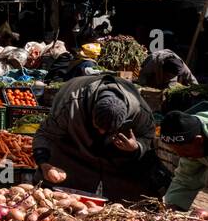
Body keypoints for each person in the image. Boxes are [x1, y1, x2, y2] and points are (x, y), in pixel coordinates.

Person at [33, 73, 166, 203]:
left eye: (108, 130)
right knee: (60, 199)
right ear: (91, 113)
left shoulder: (139, 111)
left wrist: (136, 147)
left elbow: (148, 136)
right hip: (72, 151)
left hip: (115, 160)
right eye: (98, 127)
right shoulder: (71, 103)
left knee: (122, 205)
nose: (102, 132)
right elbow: (46, 134)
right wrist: (45, 165)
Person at [159, 110, 208, 210]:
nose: (181, 155)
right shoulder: (192, 149)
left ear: (199, 140)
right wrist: (171, 205)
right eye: (175, 150)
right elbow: (185, 179)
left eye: (186, 150)